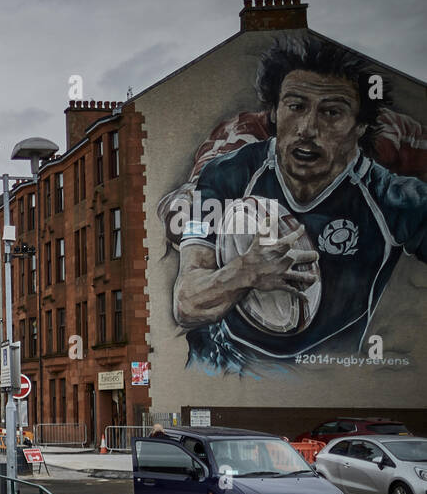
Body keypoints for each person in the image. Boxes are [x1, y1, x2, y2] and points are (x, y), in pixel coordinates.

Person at [168, 35, 427, 372]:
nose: (308, 128)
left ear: (360, 126)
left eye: (332, 112)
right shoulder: (227, 175)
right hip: (228, 364)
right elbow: (186, 302)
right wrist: (245, 272)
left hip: (335, 378)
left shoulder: (392, 198)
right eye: (296, 106)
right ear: (275, 112)